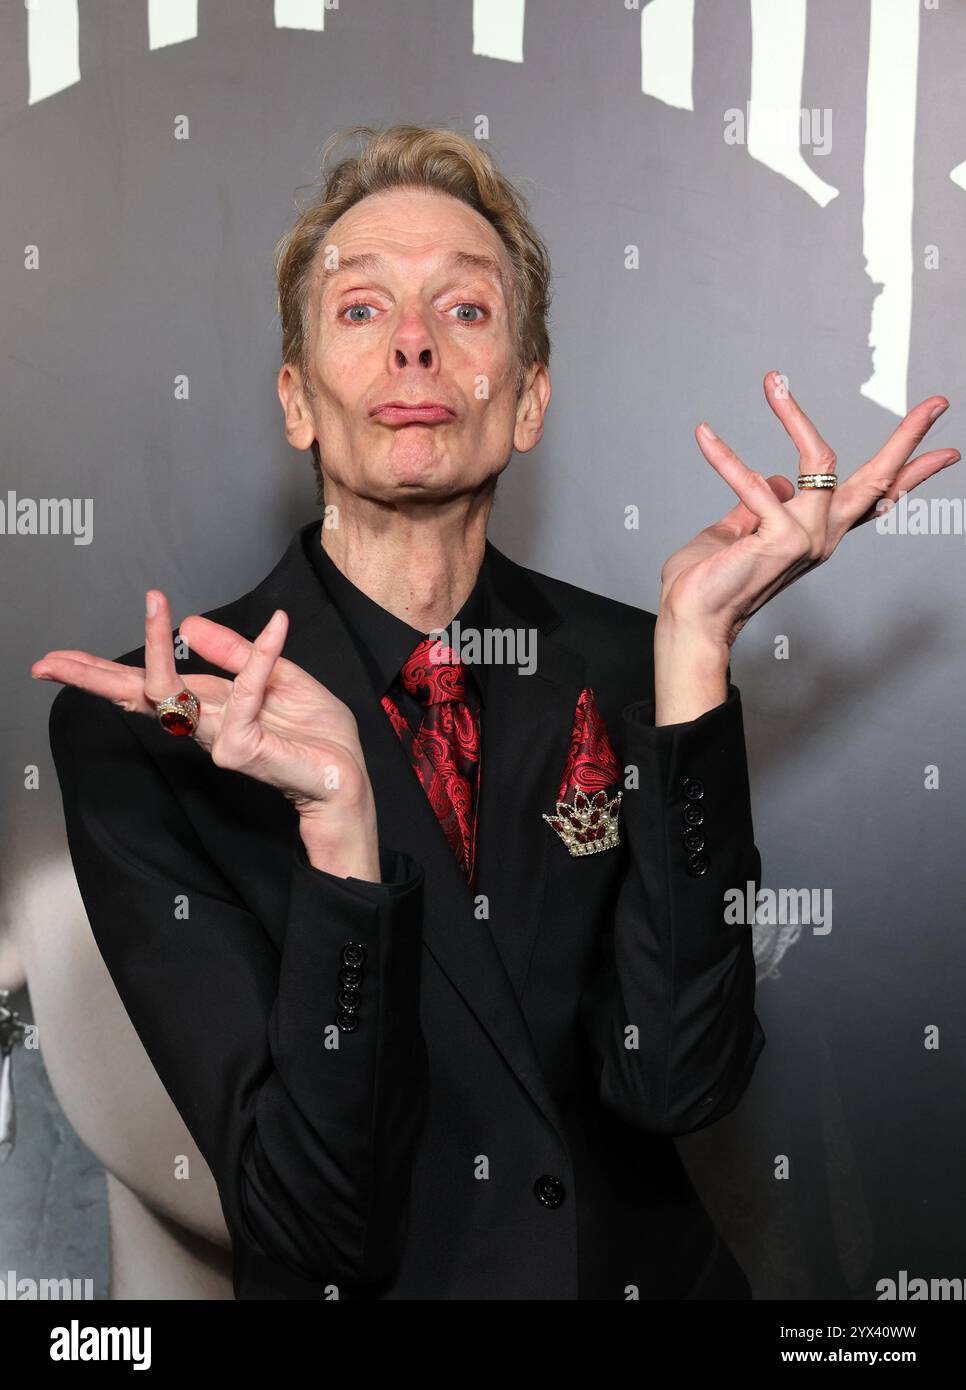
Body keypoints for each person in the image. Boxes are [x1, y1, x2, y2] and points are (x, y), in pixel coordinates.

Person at [33, 123, 959, 1301]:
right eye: (361, 308)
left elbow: (679, 1082)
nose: (414, 340)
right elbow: (315, 1220)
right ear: (297, 403)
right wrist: (344, 846)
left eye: (464, 308)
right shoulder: (153, 729)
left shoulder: (637, 664)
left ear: (527, 401)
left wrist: (691, 657)